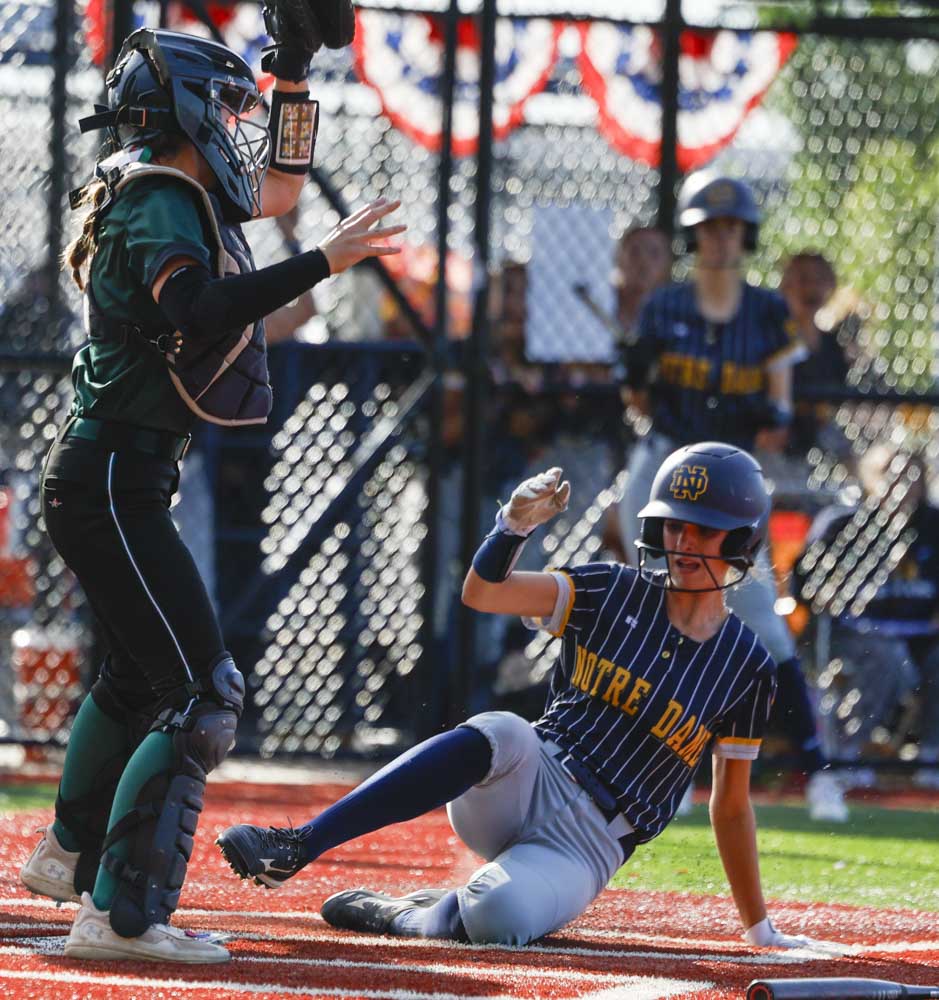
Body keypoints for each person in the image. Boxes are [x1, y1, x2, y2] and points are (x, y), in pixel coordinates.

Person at [19, 23, 403, 964]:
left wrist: (297, 75)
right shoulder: (156, 193)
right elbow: (193, 309)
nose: (239, 125)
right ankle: (122, 916)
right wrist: (324, 263)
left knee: (140, 673)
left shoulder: (167, 179)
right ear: (181, 108)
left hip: (113, 473)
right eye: (227, 108)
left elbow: (276, 188)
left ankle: (69, 854)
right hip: (113, 472)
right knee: (201, 694)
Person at [216, 443, 820, 951]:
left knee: (496, 919)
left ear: (740, 541)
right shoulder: (611, 589)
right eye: (675, 524)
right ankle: (298, 844)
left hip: (592, 844)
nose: (685, 542)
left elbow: (732, 805)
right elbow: (484, 594)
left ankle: (410, 915)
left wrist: (759, 927)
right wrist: (513, 527)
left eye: (705, 529)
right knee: (503, 728)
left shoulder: (749, 665)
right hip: (527, 778)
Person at [618, 174, 847, 823]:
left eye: (729, 228)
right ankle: (659, 770)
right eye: (709, 229)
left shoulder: (766, 313)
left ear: (744, 236)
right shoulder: (663, 307)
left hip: (732, 475)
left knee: (762, 622)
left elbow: (776, 411)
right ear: (694, 236)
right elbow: (637, 402)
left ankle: (817, 771)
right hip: (664, 463)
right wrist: (635, 377)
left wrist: (750, 409)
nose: (720, 239)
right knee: (653, 611)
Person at [794, 445, 939, 769]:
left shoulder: (933, 526)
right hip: (852, 636)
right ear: (873, 478)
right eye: (894, 475)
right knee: (885, 657)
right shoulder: (843, 524)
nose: (903, 485)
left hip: (921, 635)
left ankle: (931, 757)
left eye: (912, 477)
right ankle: (848, 757)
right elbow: (805, 585)